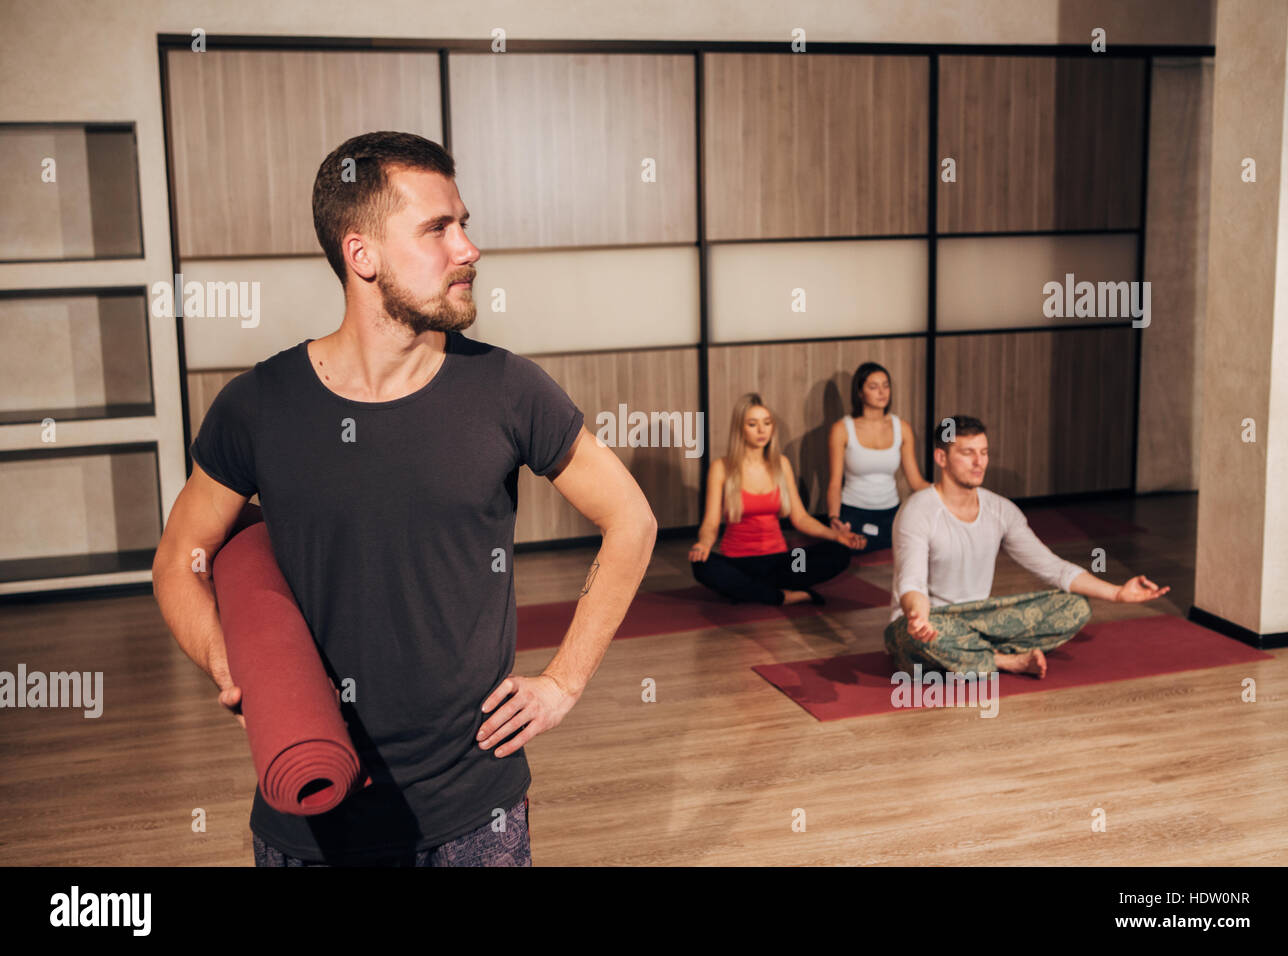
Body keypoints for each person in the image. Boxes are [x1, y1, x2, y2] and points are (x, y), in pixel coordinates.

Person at [152, 131, 658, 866]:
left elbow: (632, 521)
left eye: (465, 223)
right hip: (311, 809)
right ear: (362, 255)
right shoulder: (260, 405)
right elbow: (178, 559)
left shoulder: (507, 390)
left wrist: (563, 682)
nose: (469, 249)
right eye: (437, 229)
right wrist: (230, 663)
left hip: (473, 813)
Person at [884, 415, 1169, 678]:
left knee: (1074, 606)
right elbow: (912, 584)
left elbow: (1052, 567)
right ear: (941, 458)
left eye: (984, 453)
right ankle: (1003, 660)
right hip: (931, 621)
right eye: (968, 453)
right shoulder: (917, 512)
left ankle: (971, 653)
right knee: (911, 638)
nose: (979, 462)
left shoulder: (1000, 510)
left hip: (979, 617)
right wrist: (917, 617)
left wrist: (1118, 593)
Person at [690, 393, 867, 605]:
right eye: (753, 424)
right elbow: (710, 523)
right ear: (740, 429)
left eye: (767, 423)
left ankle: (751, 591)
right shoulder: (722, 468)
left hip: (783, 562)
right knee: (702, 565)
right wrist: (704, 543)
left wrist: (836, 536)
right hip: (737, 562)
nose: (761, 430)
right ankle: (782, 596)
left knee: (837, 553)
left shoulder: (781, 464)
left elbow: (801, 518)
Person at [827, 361, 928, 552]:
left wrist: (948, 491)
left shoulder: (902, 428)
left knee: (906, 548)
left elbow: (916, 481)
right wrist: (834, 518)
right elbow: (834, 482)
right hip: (853, 511)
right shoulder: (841, 429)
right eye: (873, 387)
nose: (882, 392)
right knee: (853, 548)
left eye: (886, 385)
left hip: (890, 511)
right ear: (859, 392)